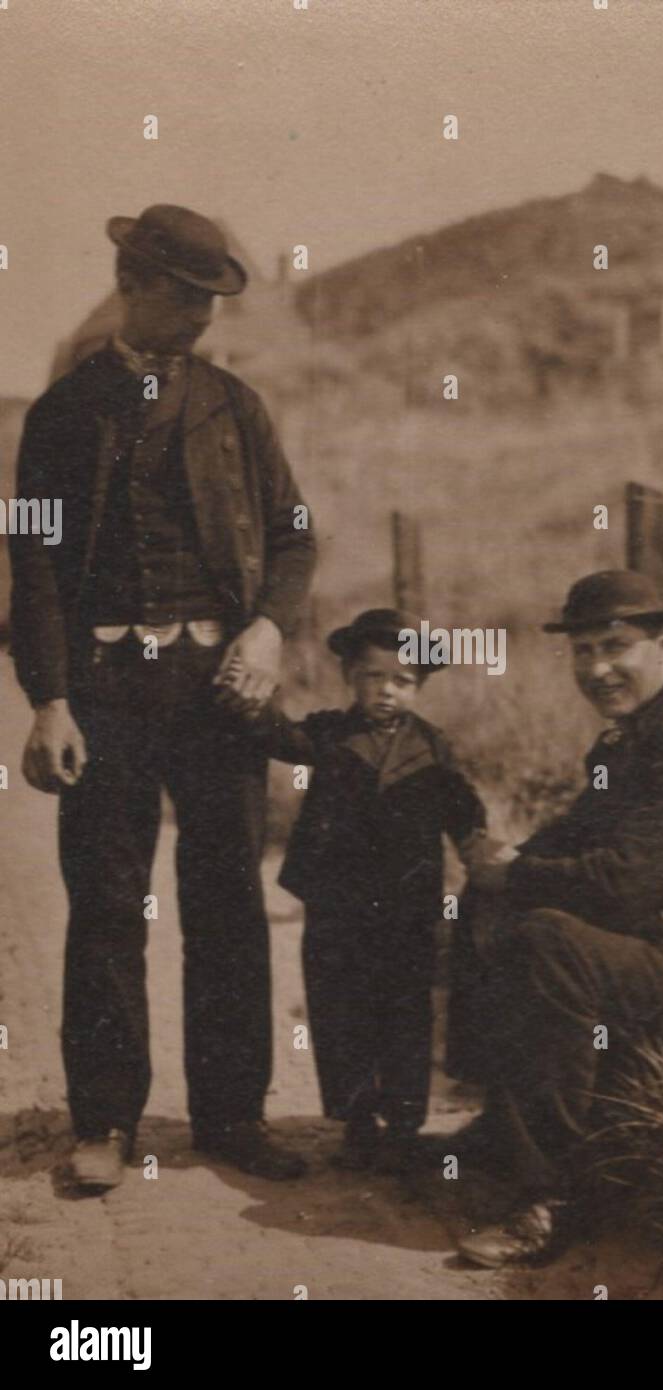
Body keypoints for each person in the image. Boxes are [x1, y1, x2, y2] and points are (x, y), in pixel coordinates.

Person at [10, 204, 316, 1191]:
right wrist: (49, 699)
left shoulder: (235, 406)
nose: (202, 316)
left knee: (226, 899)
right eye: (187, 295)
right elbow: (36, 567)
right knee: (106, 906)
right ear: (132, 285)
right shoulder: (61, 414)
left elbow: (296, 534)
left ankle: (231, 1115)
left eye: (213, 300)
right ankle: (102, 1122)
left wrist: (268, 626)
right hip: (104, 695)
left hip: (218, 695)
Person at [449, 570, 663, 1267]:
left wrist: (515, 873)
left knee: (551, 941)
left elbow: (619, 890)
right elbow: (578, 834)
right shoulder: (631, 737)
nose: (598, 669)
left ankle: (554, 1200)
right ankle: (500, 1125)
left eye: (616, 647)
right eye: (582, 652)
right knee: (491, 899)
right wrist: (503, 866)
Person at [267, 608, 489, 1173]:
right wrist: (246, 697)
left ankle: (406, 1122)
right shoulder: (330, 734)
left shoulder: (433, 748)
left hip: (408, 906)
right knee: (341, 1006)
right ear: (350, 677)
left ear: (419, 686)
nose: (387, 691)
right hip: (337, 905)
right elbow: (278, 736)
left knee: (406, 1007)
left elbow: (462, 807)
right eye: (373, 677)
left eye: (402, 681)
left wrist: (479, 852)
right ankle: (357, 1119)